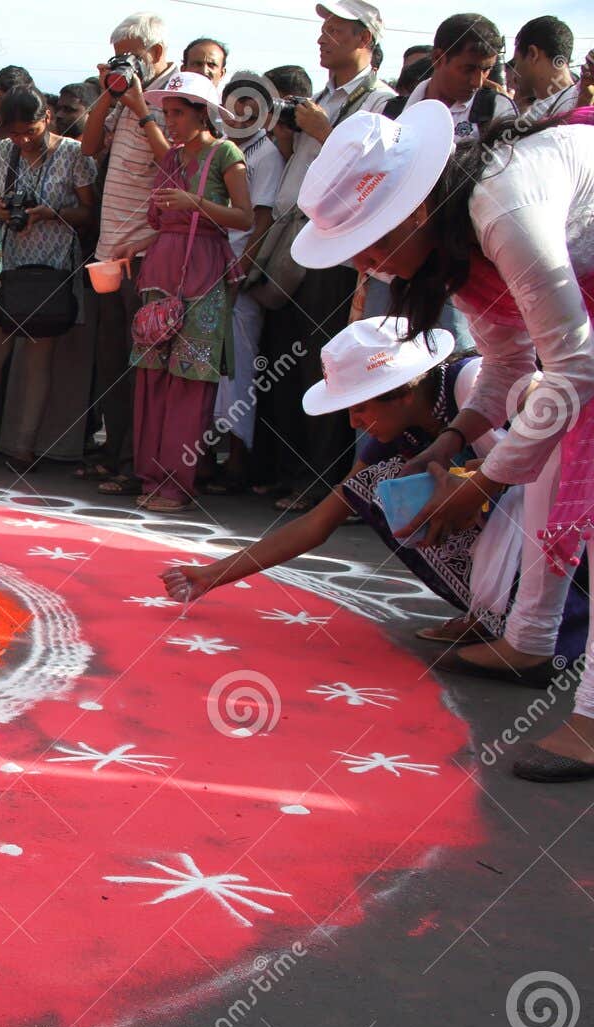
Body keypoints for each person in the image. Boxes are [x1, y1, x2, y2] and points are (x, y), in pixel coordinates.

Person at [290, 101, 594, 780]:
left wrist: (482, 483)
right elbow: (511, 365)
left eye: (369, 241)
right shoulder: (457, 248)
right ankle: (530, 640)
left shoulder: (503, 211)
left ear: (416, 211)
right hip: (579, 346)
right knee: (551, 454)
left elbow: (575, 365)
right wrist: (446, 446)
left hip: (583, 349)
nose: (365, 262)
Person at [161, 319, 549, 650]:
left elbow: (563, 430)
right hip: (513, 531)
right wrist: (212, 574)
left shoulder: (477, 381)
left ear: (403, 392)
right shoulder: (396, 432)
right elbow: (319, 522)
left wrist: (482, 483)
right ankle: (494, 610)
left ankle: (535, 619)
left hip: (558, 529)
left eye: (361, 407)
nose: (353, 422)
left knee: (381, 481)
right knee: (371, 485)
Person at [248, 0, 392, 512]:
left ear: (364, 39)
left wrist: (325, 132)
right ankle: (286, 470)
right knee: (281, 360)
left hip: (338, 249)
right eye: (322, 29)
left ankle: (323, 481)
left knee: (324, 364)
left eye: (334, 30)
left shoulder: (383, 102)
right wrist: (291, 137)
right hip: (293, 242)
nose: (322, 38)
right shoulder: (320, 100)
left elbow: (378, 173)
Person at [0, 86, 95, 470]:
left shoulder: (73, 153)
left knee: (36, 362)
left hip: (52, 270)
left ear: (47, 117)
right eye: (14, 133)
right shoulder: (2, 151)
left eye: (30, 131)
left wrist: (49, 213)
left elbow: (88, 212)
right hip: (6, 267)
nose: (23, 140)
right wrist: (1, 211)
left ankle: (23, 448)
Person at [126, 71, 250, 511]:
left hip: (204, 273)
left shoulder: (226, 153)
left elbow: (245, 217)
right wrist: (133, 246)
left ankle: (177, 484)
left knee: (190, 379)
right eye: (167, 113)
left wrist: (197, 203)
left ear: (203, 113)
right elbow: (165, 220)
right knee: (153, 375)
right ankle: (151, 476)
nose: (171, 121)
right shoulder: (173, 157)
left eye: (178, 113)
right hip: (161, 269)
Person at [80, 11, 178, 496]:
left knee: (143, 364)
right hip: (108, 254)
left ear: (156, 54)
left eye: (131, 55)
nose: (124, 63)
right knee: (112, 361)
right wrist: (108, 93)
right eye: (116, 55)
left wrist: (141, 105)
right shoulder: (121, 94)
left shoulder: (175, 96)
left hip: (144, 254)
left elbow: (175, 165)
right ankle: (116, 453)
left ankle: (136, 463)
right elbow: (88, 147)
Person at [206, 73, 284, 490]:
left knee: (238, 371)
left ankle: (237, 461)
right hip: (209, 270)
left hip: (237, 275)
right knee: (211, 370)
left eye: (249, 108)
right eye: (233, 106)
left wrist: (241, 271)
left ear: (265, 113)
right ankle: (208, 458)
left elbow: (263, 218)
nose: (239, 115)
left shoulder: (265, 154)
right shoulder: (221, 148)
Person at [386, 13, 513, 137]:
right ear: (438, 58)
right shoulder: (389, 113)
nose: (477, 82)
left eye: (486, 69)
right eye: (468, 69)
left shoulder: (497, 110)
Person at [511, 16, 578, 124]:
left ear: (533, 54)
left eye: (516, 62)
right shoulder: (536, 110)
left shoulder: (579, 107)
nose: (513, 74)